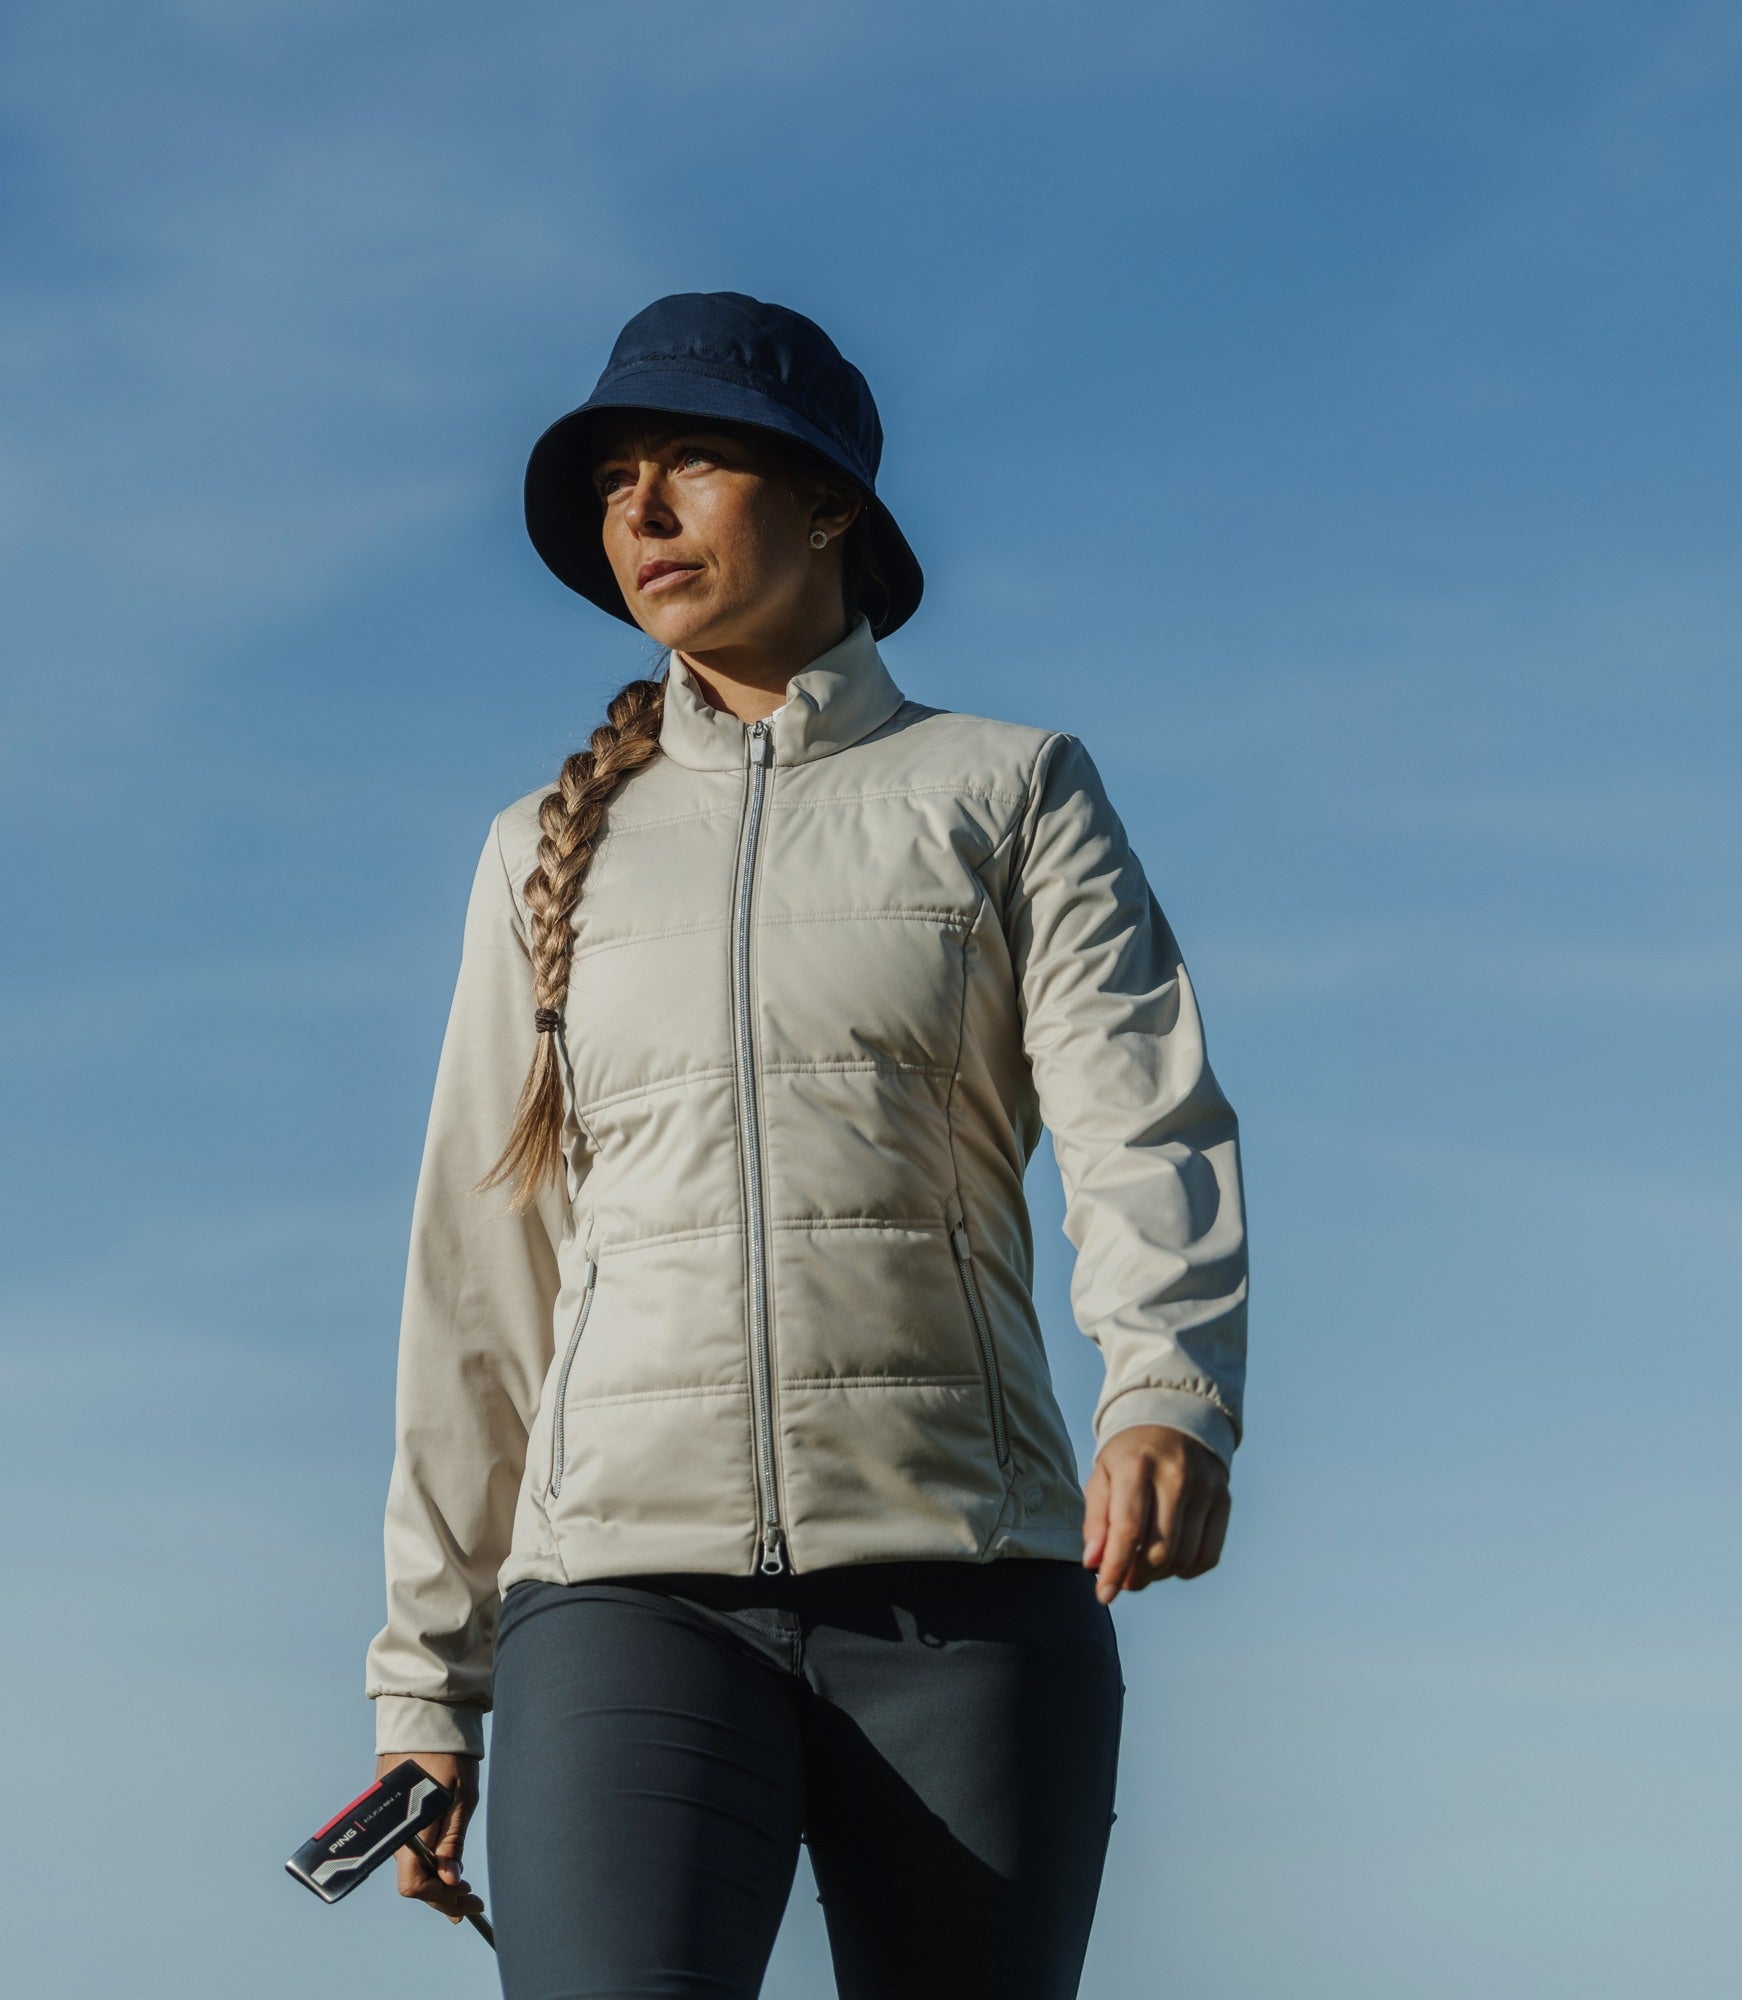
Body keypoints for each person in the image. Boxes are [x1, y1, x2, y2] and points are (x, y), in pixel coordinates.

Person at [361, 290, 1249, 1999]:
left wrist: (1166, 1389)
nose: (641, 509)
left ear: (832, 501)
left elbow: (1144, 1117)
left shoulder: (1010, 789)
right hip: (620, 1595)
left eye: (691, 459)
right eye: (614, 479)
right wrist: (427, 1685)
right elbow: (481, 1277)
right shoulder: (539, 849)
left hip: (968, 1586)